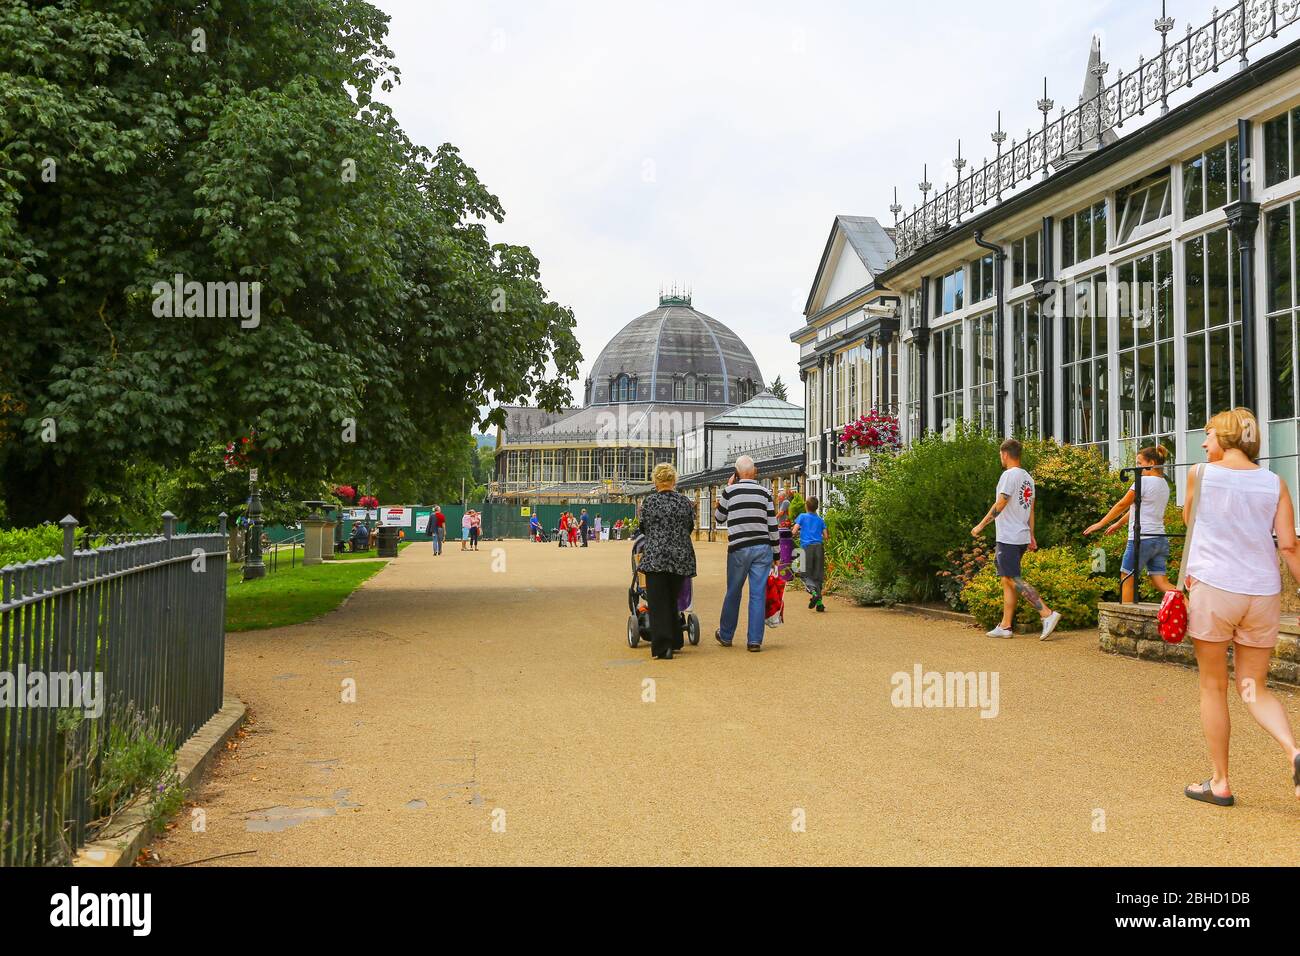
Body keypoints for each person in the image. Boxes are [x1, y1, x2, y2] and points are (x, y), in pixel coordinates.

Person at [1180, 408, 1300, 807]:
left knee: (1214, 687)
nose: (1203, 442)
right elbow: (1288, 546)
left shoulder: (1200, 474)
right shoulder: (1274, 483)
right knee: (1253, 688)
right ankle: (1294, 751)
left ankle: (1220, 782)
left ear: (1226, 437)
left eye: (1209, 434)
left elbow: (1188, 520)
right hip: (1261, 594)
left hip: (1215, 590)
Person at [970, 438, 1061, 641]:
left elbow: (1000, 503)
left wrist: (981, 525)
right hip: (1019, 535)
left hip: (1009, 537)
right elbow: (1030, 509)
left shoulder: (1008, 476)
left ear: (1004, 454)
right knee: (1007, 579)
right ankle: (1006, 625)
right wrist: (1031, 534)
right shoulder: (1027, 478)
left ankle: (1046, 613)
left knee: (1012, 579)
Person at [1084, 445, 1174, 604]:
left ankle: (1125, 618)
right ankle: (1191, 607)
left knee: (1127, 578)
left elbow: (1122, 504)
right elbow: (1137, 507)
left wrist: (1101, 523)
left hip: (1142, 539)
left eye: (1139, 463)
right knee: (1162, 582)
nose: (1137, 467)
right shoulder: (1164, 484)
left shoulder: (1143, 481)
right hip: (1159, 539)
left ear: (1151, 463)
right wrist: (1118, 524)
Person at [714, 455, 779, 651]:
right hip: (762, 547)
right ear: (754, 471)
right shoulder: (765, 493)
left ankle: (726, 635)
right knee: (758, 595)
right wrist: (776, 554)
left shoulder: (729, 492)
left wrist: (727, 489)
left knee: (733, 592)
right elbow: (772, 525)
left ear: (737, 472)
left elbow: (719, 518)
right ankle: (754, 640)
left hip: (738, 549)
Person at [637, 463, 697, 660]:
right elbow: (689, 526)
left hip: (656, 556)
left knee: (658, 602)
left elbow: (644, 528)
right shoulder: (684, 502)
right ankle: (676, 640)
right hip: (680, 557)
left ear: (656, 481)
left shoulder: (649, 502)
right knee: (673, 599)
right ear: (673, 481)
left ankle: (663, 646)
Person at [794, 496, 828, 612]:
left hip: (806, 548)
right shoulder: (820, 520)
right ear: (816, 507)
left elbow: (794, 531)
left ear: (806, 506)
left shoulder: (802, 517)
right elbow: (826, 536)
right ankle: (819, 604)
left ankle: (814, 593)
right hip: (819, 548)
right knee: (817, 576)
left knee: (805, 574)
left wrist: (797, 534)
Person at [776, 489, 794, 582]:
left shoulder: (785, 502)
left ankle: (786, 571)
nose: (778, 499)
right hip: (782, 526)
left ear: (782, 497)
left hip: (785, 526)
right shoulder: (783, 502)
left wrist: (774, 518)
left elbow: (782, 512)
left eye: (779, 497)